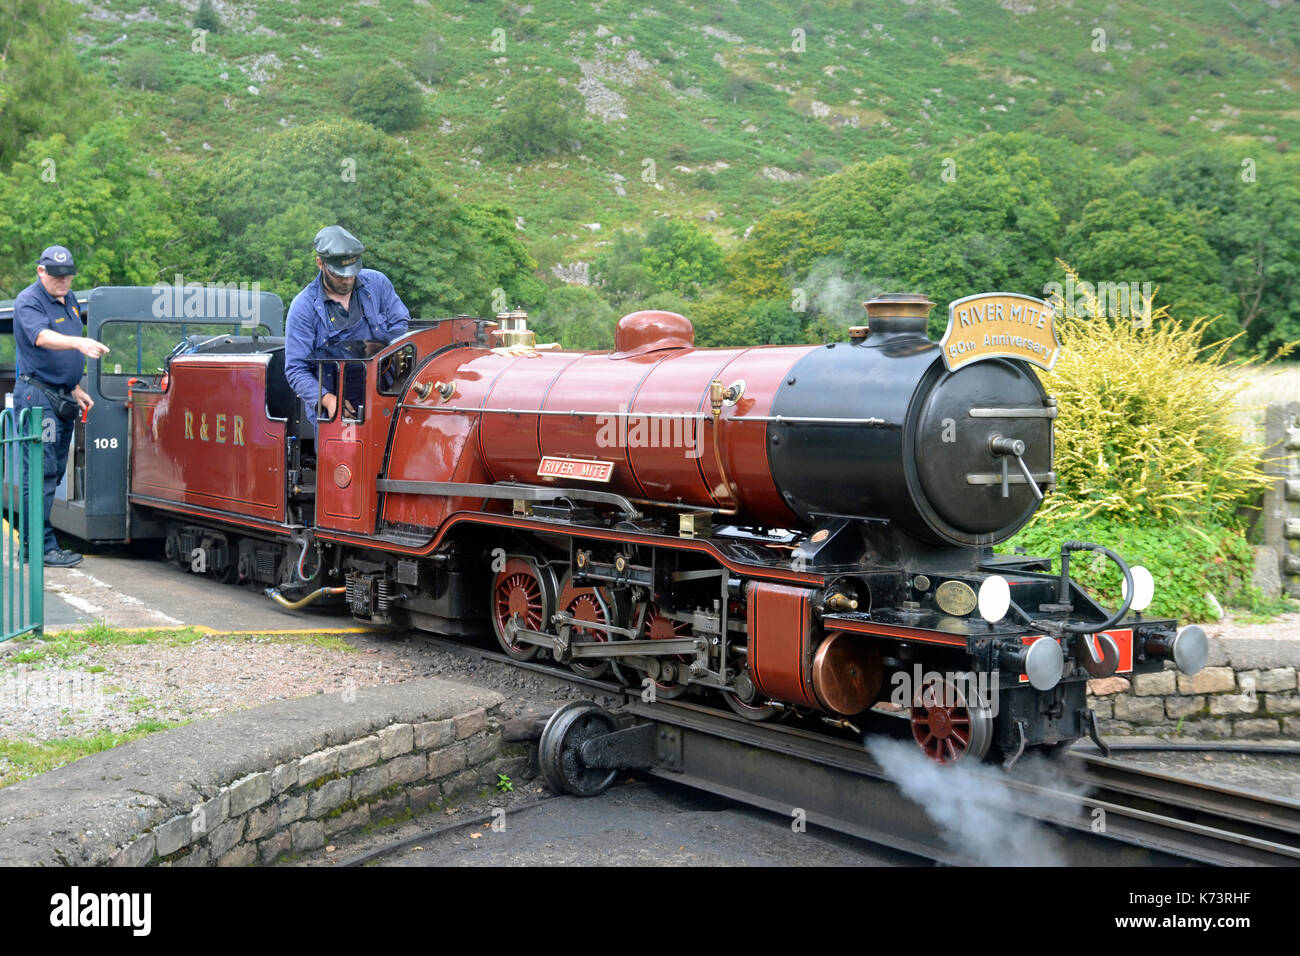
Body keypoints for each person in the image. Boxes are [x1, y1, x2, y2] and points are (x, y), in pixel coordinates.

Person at [11, 246, 110, 568]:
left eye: (67, 275)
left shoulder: (68, 300)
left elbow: (59, 357)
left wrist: (75, 387)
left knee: (50, 473)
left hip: (61, 395)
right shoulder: (29, 300)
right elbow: (41, 339)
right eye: (56, 275)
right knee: (39, 473)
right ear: (41, 272)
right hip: (37, 396)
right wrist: (79, 343)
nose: (63, 280)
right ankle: (38, 547)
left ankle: (37, 544)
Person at [284, 225, 410, 430]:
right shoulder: (302, 308)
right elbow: (296, 369)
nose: (348, 279)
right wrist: (328, 399)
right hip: (333, 412)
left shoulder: (377, 283)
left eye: (352, 273)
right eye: (339, 274)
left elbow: (401, 325)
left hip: (385, 396)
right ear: (320, 263)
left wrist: (392, 368)